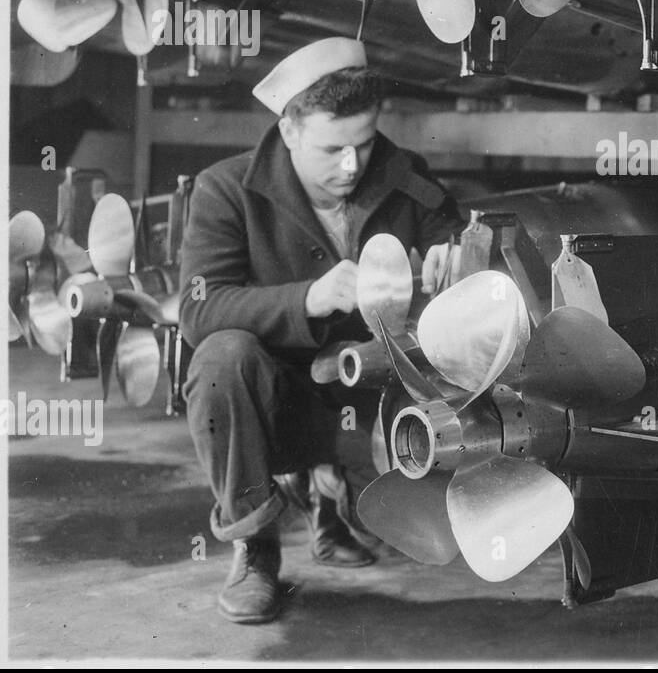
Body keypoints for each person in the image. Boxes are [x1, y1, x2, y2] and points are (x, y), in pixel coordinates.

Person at [179, 37, 463, 623]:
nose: (352, 166)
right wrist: (309, 298)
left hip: (368, 396)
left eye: (363, 144)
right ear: (288, 131)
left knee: (396, 531)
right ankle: (255, 544)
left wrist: (455, 257)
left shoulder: (406, 176)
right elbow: (198, 311)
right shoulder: (224, 190)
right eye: (332, 149)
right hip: (277, 400)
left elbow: (451, 233)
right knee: (221, 359)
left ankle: (334, 501)